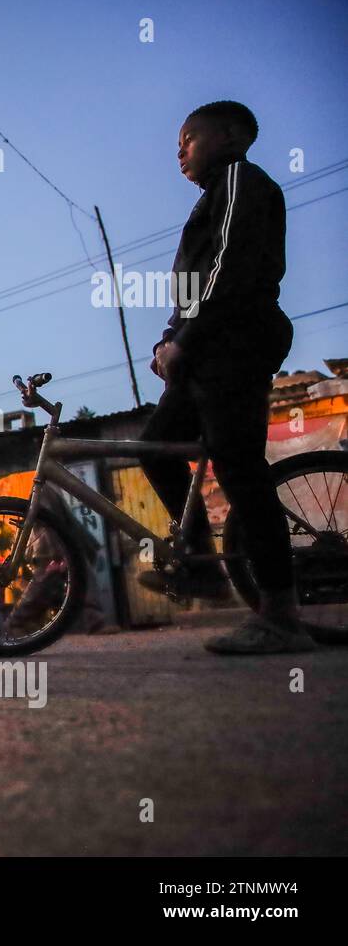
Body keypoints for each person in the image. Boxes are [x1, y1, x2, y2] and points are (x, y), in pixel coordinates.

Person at [139, 100, 324, 655]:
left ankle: (281, 616)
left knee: (239, 468)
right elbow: (197, 285)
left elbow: (230, 264)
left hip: (237, 339)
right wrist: (168, 339)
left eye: (188, 138)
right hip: (206, 345)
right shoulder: (213, 195)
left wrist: (185, 340)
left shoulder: (242, 179)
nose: (179, 151)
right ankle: (201, 568)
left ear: (228, 138)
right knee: (156, 447)